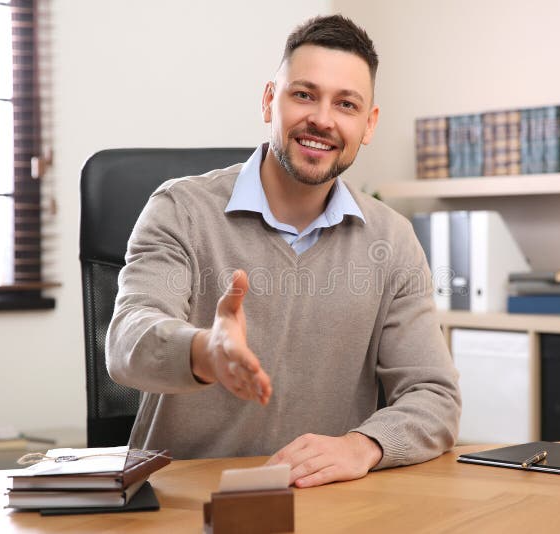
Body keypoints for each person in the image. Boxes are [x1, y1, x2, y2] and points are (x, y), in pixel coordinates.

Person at [106, 14, 461, 489]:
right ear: (270, 101)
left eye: (346, 104)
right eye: (304, 94)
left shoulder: (391, 241)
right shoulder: (181, 210)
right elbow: (128, 340)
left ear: (368, 124)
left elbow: (434, 395)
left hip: (325, 503)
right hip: (185, 502)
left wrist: (363, 446)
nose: (323, 119)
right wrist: (204, 351)